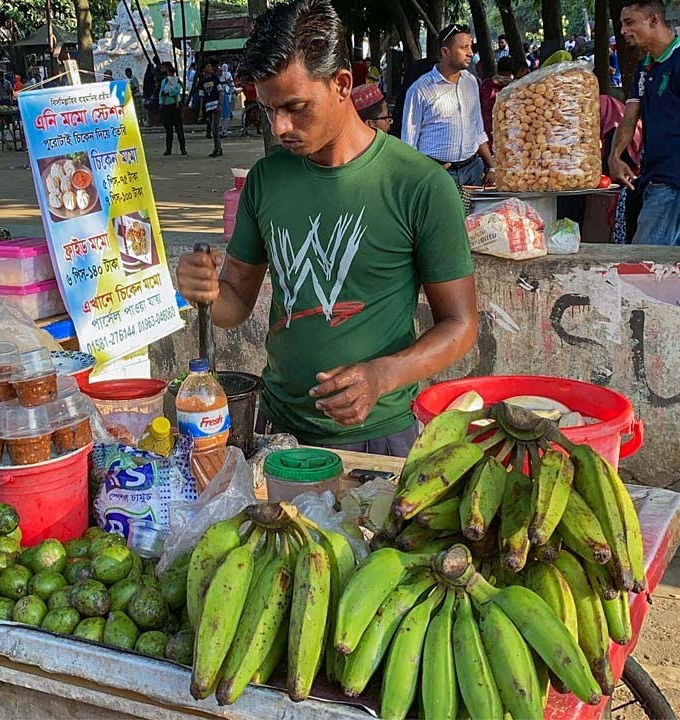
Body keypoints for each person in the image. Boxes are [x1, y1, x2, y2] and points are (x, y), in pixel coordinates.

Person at [175, 0, 478, 456]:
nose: (280, 127)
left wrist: (382, 376)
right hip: (277, 427)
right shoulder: (266, 179)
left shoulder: (419, 185)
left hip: (381, 435)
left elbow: (460, 324)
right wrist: (206, 292)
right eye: (268, 109)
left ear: (341, 84)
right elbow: (234, 305)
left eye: (295, 107)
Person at [610, 0, 680, 246]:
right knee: (667, 269)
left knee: (642, 264)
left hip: (675, 182)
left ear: (653, 20)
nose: (622, 31)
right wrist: (614, 157)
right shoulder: (644, 67)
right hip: (654, 177)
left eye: (629, 23)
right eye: (621, 24)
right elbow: (629, 118)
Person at [401, 24, 496, 187]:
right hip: (438, 173)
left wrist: (492, 167)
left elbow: (478, 130)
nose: (470, 53)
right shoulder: (420, 90)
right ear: (445, 52)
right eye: (463, 47)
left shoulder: (471, 82)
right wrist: (422, 176)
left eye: (470, 47)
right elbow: (409, 143)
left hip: (473, 170)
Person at [479, 56, 515, 144]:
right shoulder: (514, 87)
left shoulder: (486, 84)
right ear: (512, 71)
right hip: (506, 129)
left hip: (486, 129)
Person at [159, 62, 187, 155]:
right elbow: (161, 92)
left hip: (175, 105)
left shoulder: (177, 80)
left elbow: (177, 91)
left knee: (179, 128)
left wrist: (169, 93)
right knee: (168, 129)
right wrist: (161, 102)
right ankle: (168, 149)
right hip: (166, 106)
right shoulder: (164, 81)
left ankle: (183, 148)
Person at [198, 62, 223, 156]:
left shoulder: (215, 78)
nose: (210, 68)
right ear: (204, 69)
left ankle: (218, 149)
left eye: (210, 66)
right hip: (208, 106)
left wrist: (219, 104)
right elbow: (201, 96)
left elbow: (220, 91)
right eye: (207, 66)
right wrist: (201, 111)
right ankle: (217, 148)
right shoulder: (202, 81)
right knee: (213, 129)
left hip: (216, 105)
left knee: (215, 128)